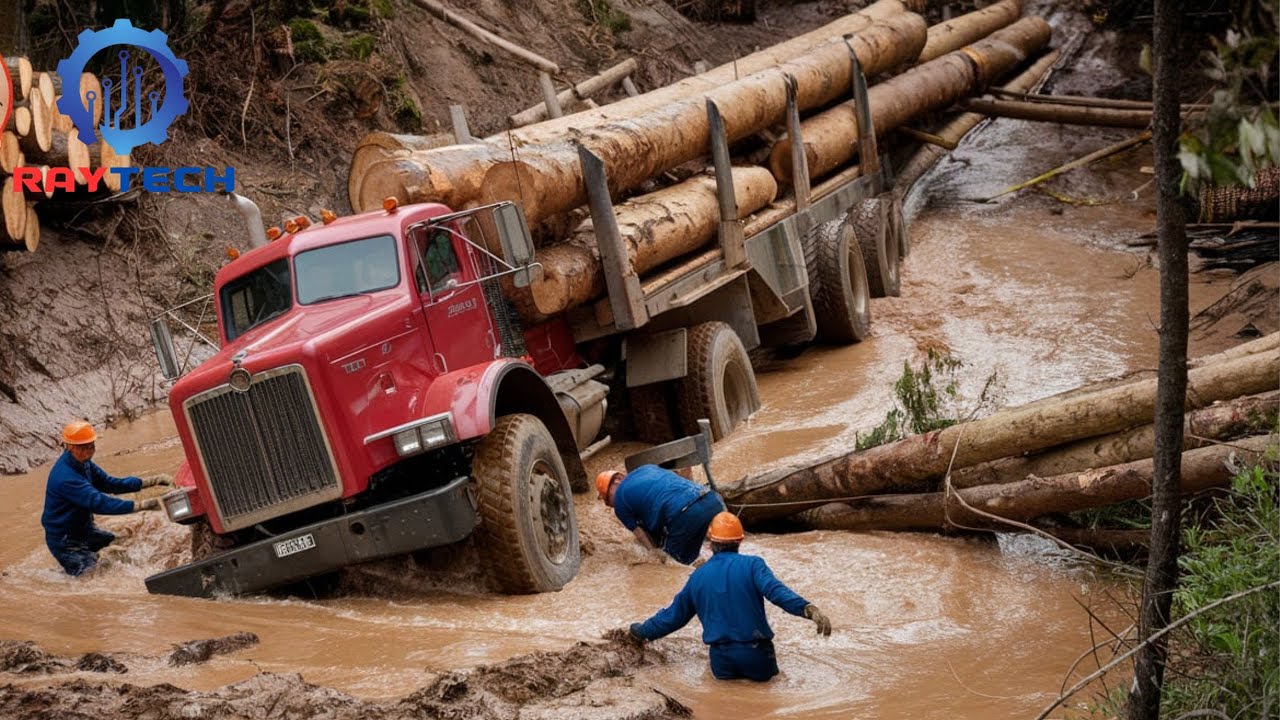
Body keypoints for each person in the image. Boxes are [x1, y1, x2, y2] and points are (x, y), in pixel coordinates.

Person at [626, 512, 832, 682]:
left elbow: (673, 617)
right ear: (740, 541)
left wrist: (641, 632)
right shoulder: (753, 565)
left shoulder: (698, 576)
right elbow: (776, 591)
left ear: (710, 543)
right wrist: (807, 608)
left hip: (721, 659)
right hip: (757, 655)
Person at [41, 420, 171, 576]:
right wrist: (140, 505)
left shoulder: (83, 463)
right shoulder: (66, 478)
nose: (88, 452)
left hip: (84, 530)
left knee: (118, 542)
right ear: (69, 446)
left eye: (91, 447)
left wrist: (151, 482)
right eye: (83, 447)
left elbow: (110, 484)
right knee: (90, 575)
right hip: (66, 541)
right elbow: (100, 503)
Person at [596, 465, 724, 565]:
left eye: (608, 501)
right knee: (700, 555)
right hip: (711, 499)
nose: (611, 505)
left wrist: (655, 558)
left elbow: (641, 535)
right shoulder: (646, 468)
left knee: (672, 565)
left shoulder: (619, 502)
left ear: (615, 483)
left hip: (685, 513)